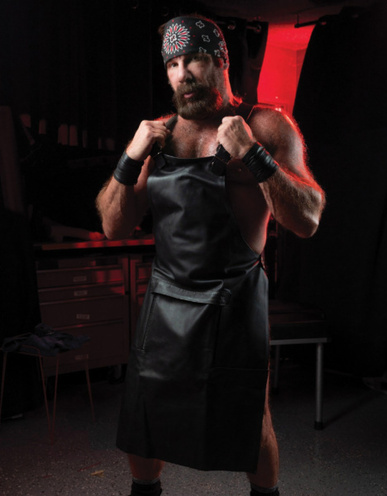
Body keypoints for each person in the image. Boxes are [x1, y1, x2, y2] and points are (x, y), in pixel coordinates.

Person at [96, 14, 325, 496]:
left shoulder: (265, 124)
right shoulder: (158, 135)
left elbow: (307, 218)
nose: (183, 74)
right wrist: (130, 157)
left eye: (194, 59)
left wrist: (253, 154)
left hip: (234, 299)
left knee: (251, 419)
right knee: (145, 416)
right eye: (172, 64)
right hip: (166, 300)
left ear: (221, 62)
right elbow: (113, 225)